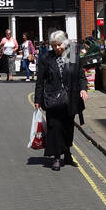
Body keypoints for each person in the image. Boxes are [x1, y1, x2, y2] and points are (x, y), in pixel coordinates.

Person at [34, 30, 88, 170]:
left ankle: (68, 154)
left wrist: (83, 89)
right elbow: (40, 81)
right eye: (54, 46)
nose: (57, 48)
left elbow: (81, 77)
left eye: (59, 45)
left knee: (67, 128)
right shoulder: (46, 58)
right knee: (55, 127)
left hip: (70, 99)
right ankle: (57, 157)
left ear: (65, 43)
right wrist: (37, 100)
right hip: (53, 100)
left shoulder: (73, 57)